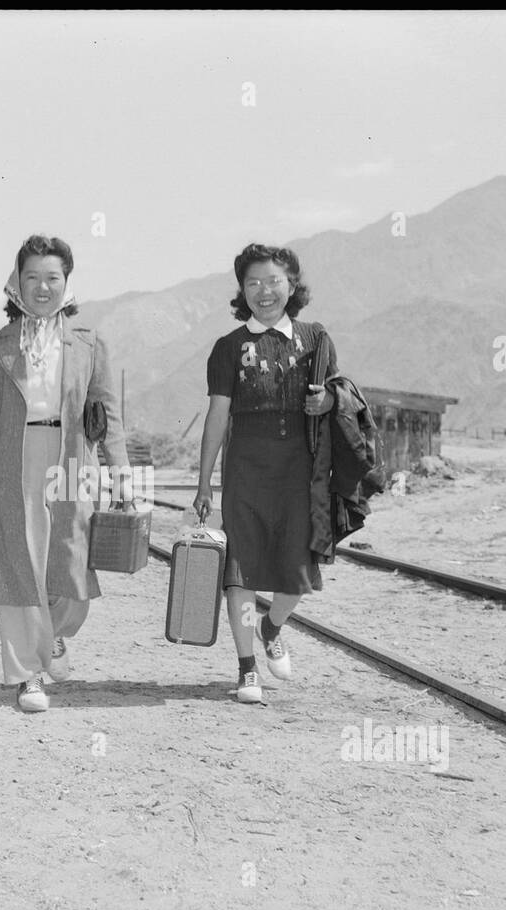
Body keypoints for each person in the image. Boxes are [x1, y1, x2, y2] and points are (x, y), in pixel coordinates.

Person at [0, 234, 131, 712]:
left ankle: (54, 635)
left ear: (66, 284)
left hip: (72, 460)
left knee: (71, 571)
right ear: (16, 283)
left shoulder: (90, 345)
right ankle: (26, 675)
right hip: (12, 463)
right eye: (31, 276)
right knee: (18, 567)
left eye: (52, 277)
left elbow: (109, 415)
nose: (41, 286)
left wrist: (120, 474)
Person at [192, 243, 335, 704]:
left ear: (291, 284)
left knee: (296, 573)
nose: (263, 291)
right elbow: (217, 416)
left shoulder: (316, 339)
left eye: (273, 281)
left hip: (300, 473)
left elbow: (341, 398)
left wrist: (326, 402)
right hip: (246, 474)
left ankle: (272, 625)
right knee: (242, 573)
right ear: (241, 291)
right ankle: (247, 668)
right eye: (252, 283)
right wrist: (204, 483)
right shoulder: (229, 348)